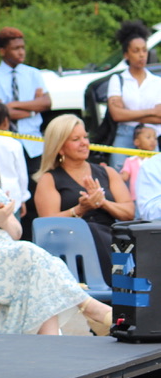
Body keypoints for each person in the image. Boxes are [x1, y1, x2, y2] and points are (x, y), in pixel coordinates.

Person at [0, 160, 112, 335]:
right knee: (29, 254)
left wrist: (3, 220)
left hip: (7, 258)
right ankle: (89, 307)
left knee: (40, 272)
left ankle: (51, 340)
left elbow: (16, 232)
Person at [34, 114, 134, 281]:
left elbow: (129, 212)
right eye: (76, 139)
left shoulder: (108, 172)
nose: (84, 143)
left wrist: (102, 202)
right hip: (70, 244)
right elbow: (47, 224)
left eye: (85, 137)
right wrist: (79, 209)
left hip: (110, 239)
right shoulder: (49, 179)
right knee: (91, 229)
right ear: (60, 147)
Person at [0, 27, 50, 174]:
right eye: (15, 48)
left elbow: (46, 103)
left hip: (34, 145)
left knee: (37, 182)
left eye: (22, 48)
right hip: (6, 144)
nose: (21, 52)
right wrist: (33, 110)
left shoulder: (33, 74)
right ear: (2, 51)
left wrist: (13, 105)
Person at [105, 20, 161, 170]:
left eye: (144, 50)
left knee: (152, 178)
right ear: (126, 54)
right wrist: (151, 111)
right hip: (124, 135)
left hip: (150, 136)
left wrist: (127, 114)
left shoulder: (157, 82)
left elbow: (160, 117)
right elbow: (117, 115)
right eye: (136, 51)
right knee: (120, 177)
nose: (141, 55)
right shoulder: (118, 79)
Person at [121, 124, 157, 202]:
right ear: (137, 142)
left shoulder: (157, 160)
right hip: (136, 198)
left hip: (154, 197)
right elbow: (124, 177)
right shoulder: (130, 161)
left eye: (155, 138)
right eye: (148, 137)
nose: (153, 140)